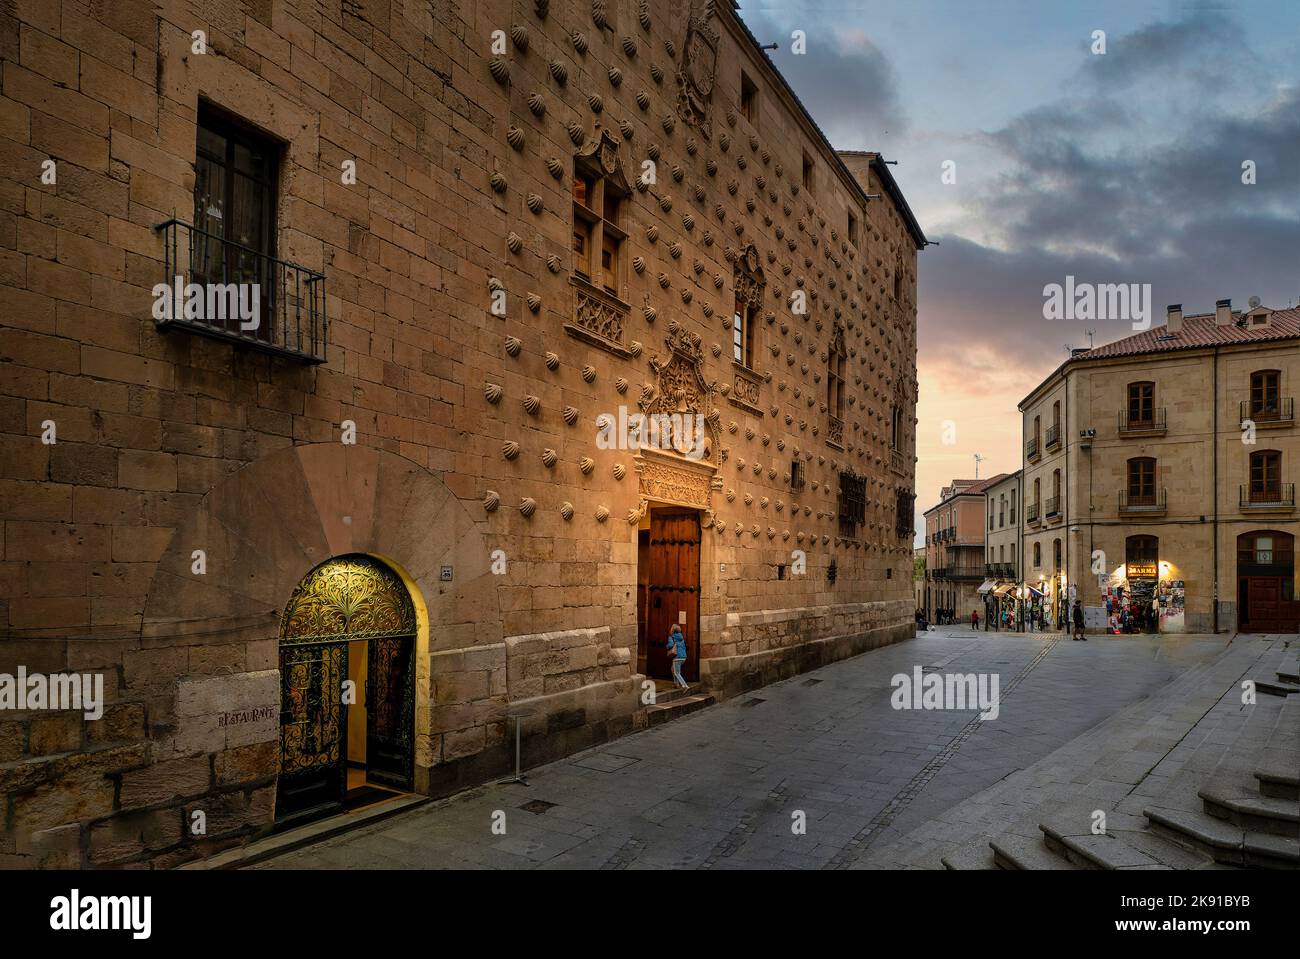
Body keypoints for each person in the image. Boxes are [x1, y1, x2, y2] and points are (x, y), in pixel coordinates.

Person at [666, 624, 689, 689]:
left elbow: (670, 645)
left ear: (672, 630)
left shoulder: (672, 637)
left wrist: (667, 646)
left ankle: (685, 686)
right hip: (683, 657)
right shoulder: (682, 638)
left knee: (676, 673)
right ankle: (676, 684)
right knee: (673, 669)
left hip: (677, 657)